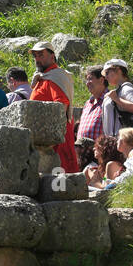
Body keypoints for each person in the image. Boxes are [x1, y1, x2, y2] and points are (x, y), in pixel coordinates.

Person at [29, 41, 78, 172]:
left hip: (55, 138)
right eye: (35, 56)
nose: (37, 59)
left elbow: (61, 107)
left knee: (61, 174)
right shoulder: (44, 77)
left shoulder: (55, 77)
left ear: (52, 56)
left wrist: (51, 137)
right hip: (47, 137)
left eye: (41, 55)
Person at [100, 58, 133, 140]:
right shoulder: (120, 89)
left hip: (122, 142)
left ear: (118, 70)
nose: (105, 77)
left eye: (107, 73)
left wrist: (116, 99)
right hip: (116, 141)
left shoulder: (126, 88)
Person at [77, 66, 108, 143]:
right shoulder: (88, 103)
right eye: (87, 80)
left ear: (101, 80)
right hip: (83, 152)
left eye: (90, 79)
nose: (87, 83)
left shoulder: (110, 101)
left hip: (100, 152)